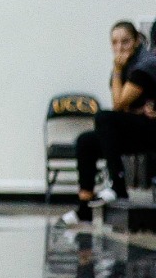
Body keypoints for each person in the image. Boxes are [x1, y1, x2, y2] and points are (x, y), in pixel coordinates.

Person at [62, 21, 156, 226]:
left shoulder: (145, 64)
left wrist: (116, 69)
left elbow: (118, 103)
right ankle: (84, 208)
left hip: (151, 129)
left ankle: (118, 184)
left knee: (104, 118)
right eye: (115, 43)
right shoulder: (125, 66)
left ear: (137, 41)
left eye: (125, 42)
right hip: (138, 126)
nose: (119, 48)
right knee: (85, 141)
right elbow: (122, 109)